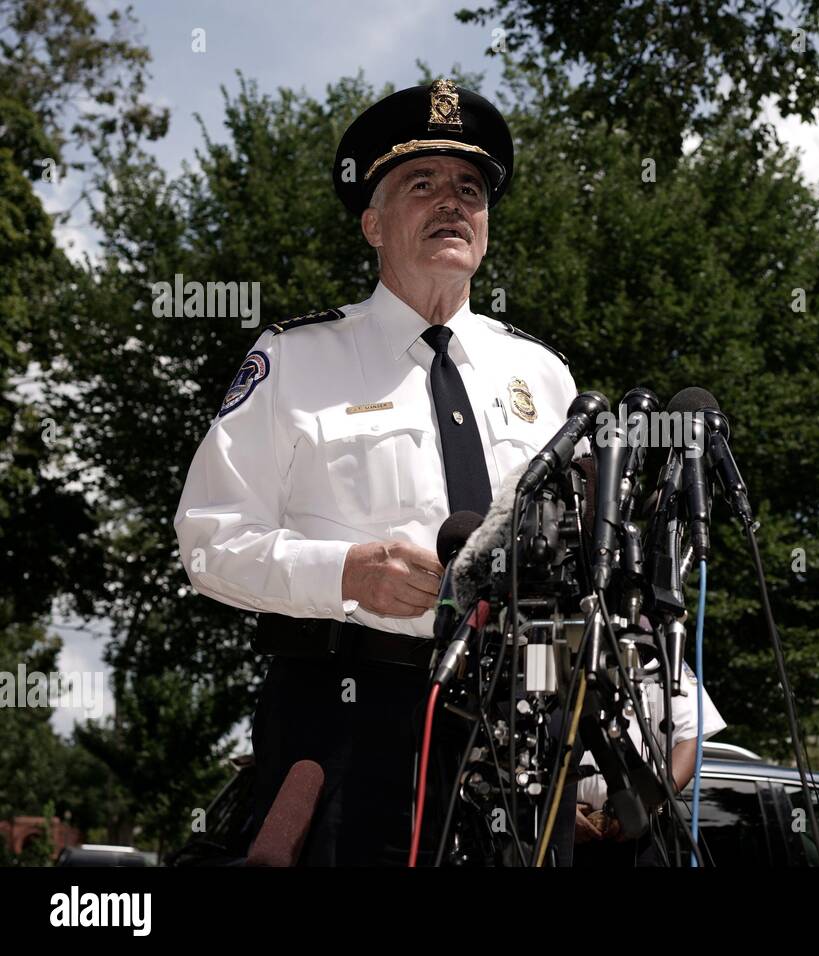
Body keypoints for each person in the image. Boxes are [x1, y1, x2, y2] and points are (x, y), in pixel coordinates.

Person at [174, 79, 581, 865]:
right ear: (372, 223)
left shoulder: (547, 377)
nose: (452, 204)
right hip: (347, 723)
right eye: (420, 184)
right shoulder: (295, 358)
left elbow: (582, 568)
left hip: (520, 734)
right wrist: (344, 574)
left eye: (470, 189)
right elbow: (209, 540)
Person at [573, 660, 725, 866]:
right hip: (564, 830)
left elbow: (690, 740)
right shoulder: (554, 647)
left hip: (637, 834)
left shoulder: (653, 655)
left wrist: (644, 803)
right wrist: (563, 811)